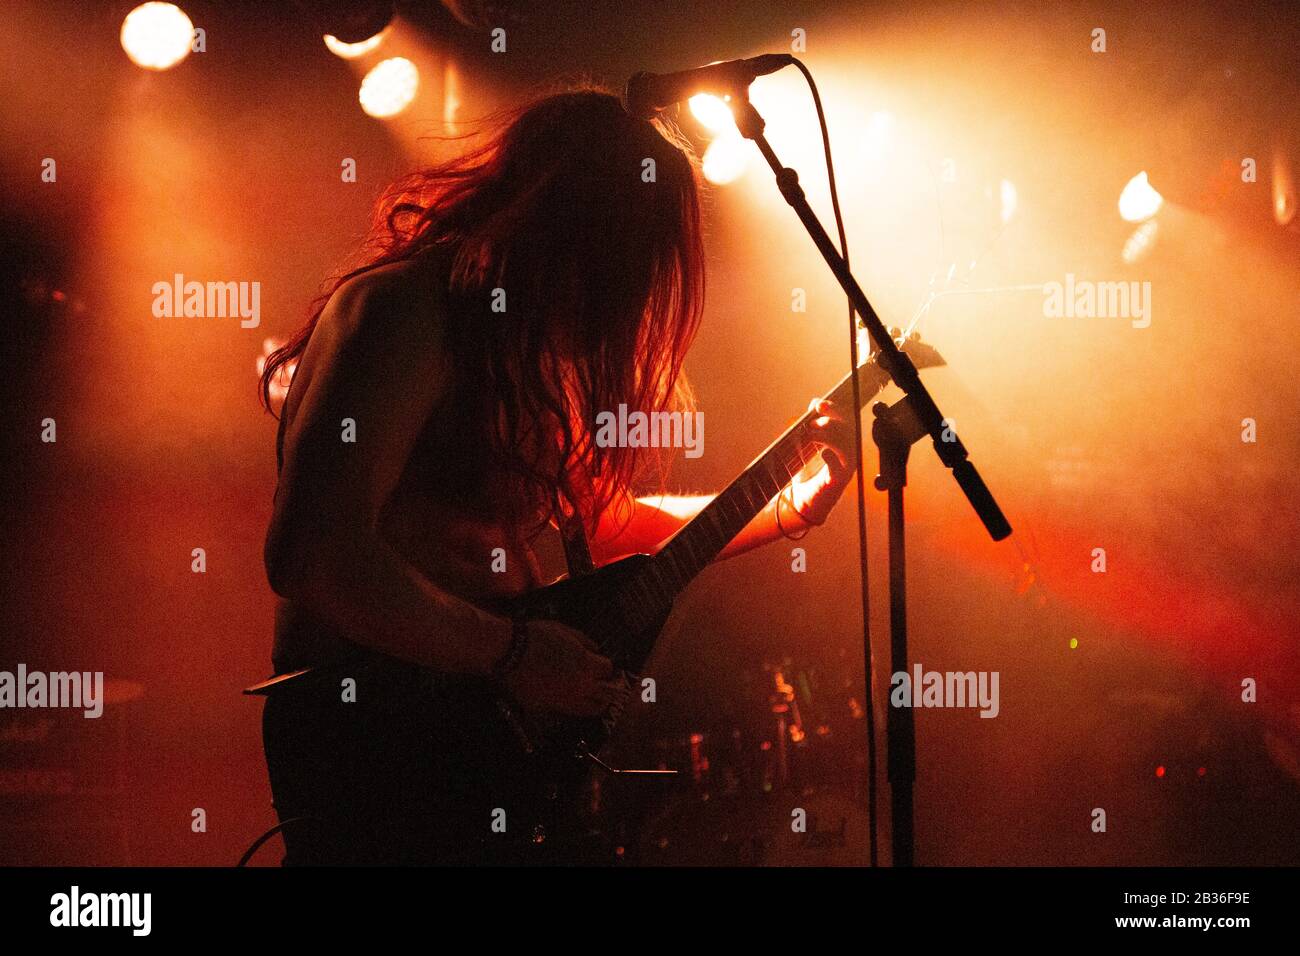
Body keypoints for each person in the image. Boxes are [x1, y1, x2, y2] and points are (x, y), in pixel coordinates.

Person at [257, 87, 852, 864]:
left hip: (481, 741)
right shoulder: (401, 313)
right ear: (564, 221)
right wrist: (512, 655)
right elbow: (312, 553)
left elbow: (606, 524)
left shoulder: (530, 352)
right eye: (624, 252)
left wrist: (783, 510)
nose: (627, 288)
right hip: (374, 738)